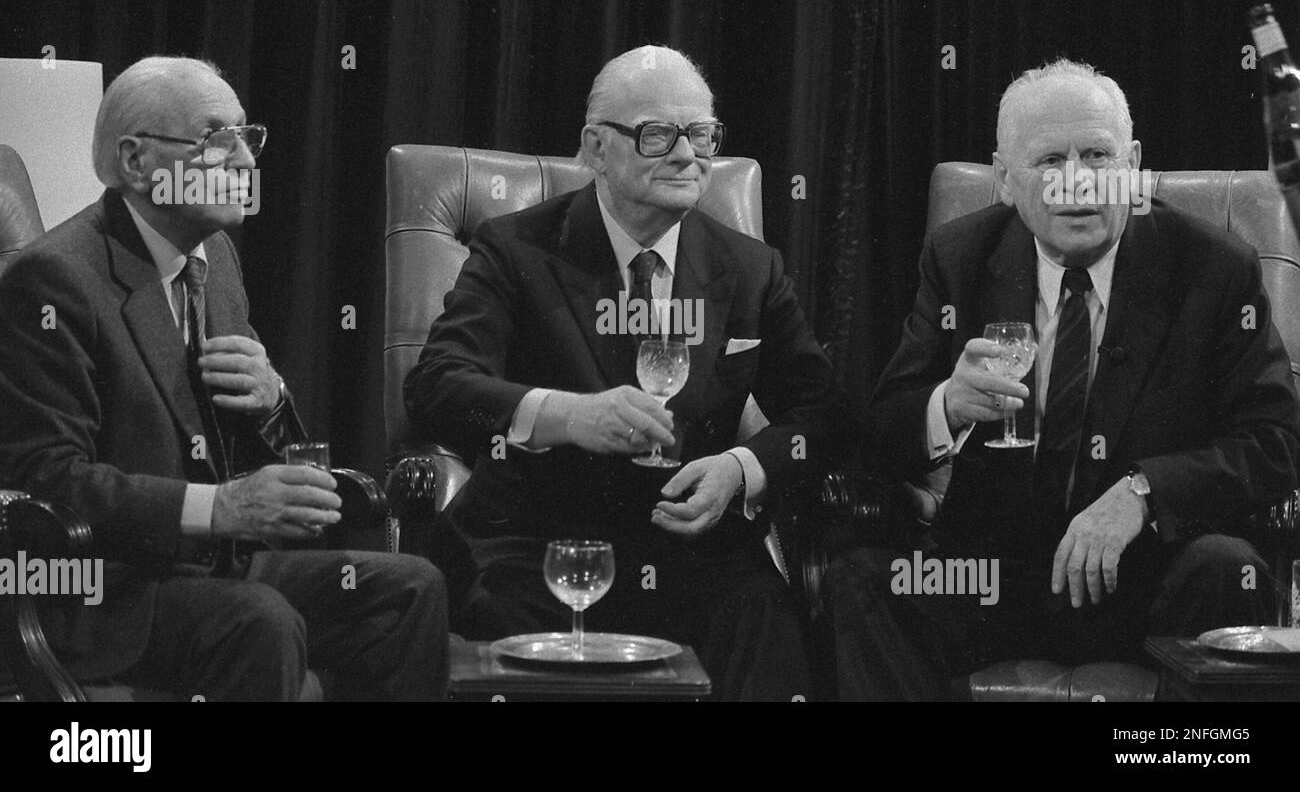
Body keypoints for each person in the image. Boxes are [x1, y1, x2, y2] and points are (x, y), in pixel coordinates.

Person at [827, 58, 1300, 700]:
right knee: (865, 580)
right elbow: (880, 438)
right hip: (991, 581)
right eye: (1049, 162)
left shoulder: (1212, 270)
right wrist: (948, 406)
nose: (1076, 184)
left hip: (1144, 581)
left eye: (1098, 156)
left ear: (1131, 164)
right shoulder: (961, 258)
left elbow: (1276, 440)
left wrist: (1144, 493)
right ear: (1004, 179)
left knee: (1225, 567)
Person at [404, 45, 847, 700]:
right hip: (537, 542)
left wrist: (740, 469)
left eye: (701, 134)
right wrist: (566, 415)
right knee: (509, 632)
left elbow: (827, 413)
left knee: (767, 624)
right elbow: (436, 385)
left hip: (690, 548)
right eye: (657, 134)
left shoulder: (751, 269)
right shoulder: (514, 248)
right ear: (595, 147)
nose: (686, 153)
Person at [0, 56, 447, 701]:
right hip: (101, 590)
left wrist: (271, 399)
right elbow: (49, 481)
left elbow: (235, 440)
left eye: (248, 136)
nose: (245, 161)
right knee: (259, 621)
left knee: (410, 590)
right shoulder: (54, 281)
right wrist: (225, 507)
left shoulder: (216, 262)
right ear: (136, 162)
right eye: (216, 139)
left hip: (212, 568)